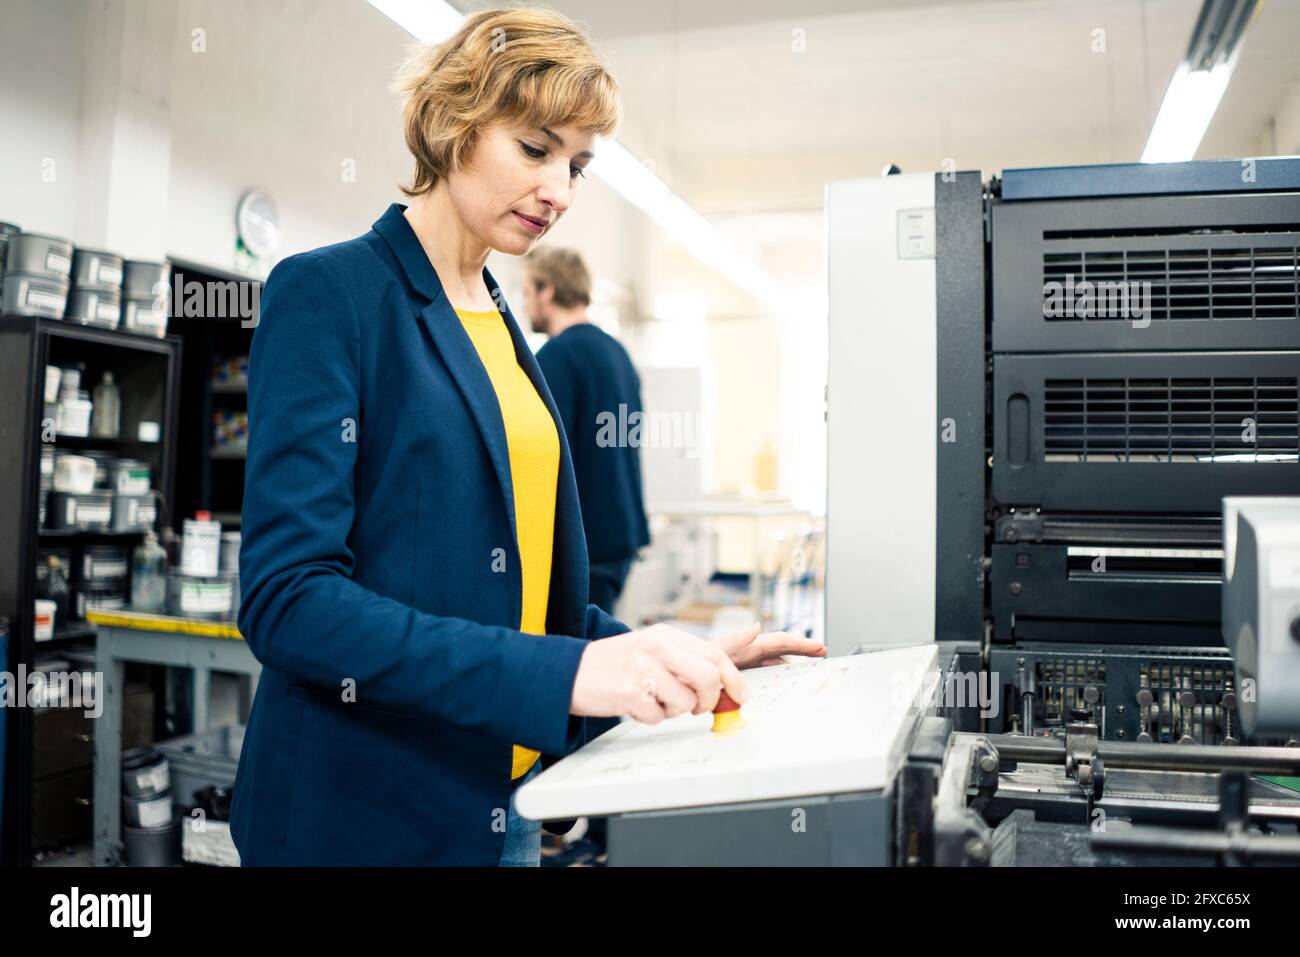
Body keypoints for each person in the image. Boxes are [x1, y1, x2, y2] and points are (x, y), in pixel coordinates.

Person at [230, 7, 824, 867]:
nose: (561, 191)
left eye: (578, 165)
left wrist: (659, 656)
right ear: (453, 121)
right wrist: (569, 678)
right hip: (365, 818)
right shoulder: (333, 295)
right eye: (536, 149)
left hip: (502, 802)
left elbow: (515, 598)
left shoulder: (507, 326)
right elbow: (290, 600)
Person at [524, 248, 650, 866]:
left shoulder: (553, 358)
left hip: (584, 545)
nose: (527, 303)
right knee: (608, 674)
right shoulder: (617, 355)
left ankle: (587, 829)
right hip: (621, 534)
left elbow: (543, 461)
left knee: (586, 684)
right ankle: (600, 826)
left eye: (529, 291)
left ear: (547, 291)